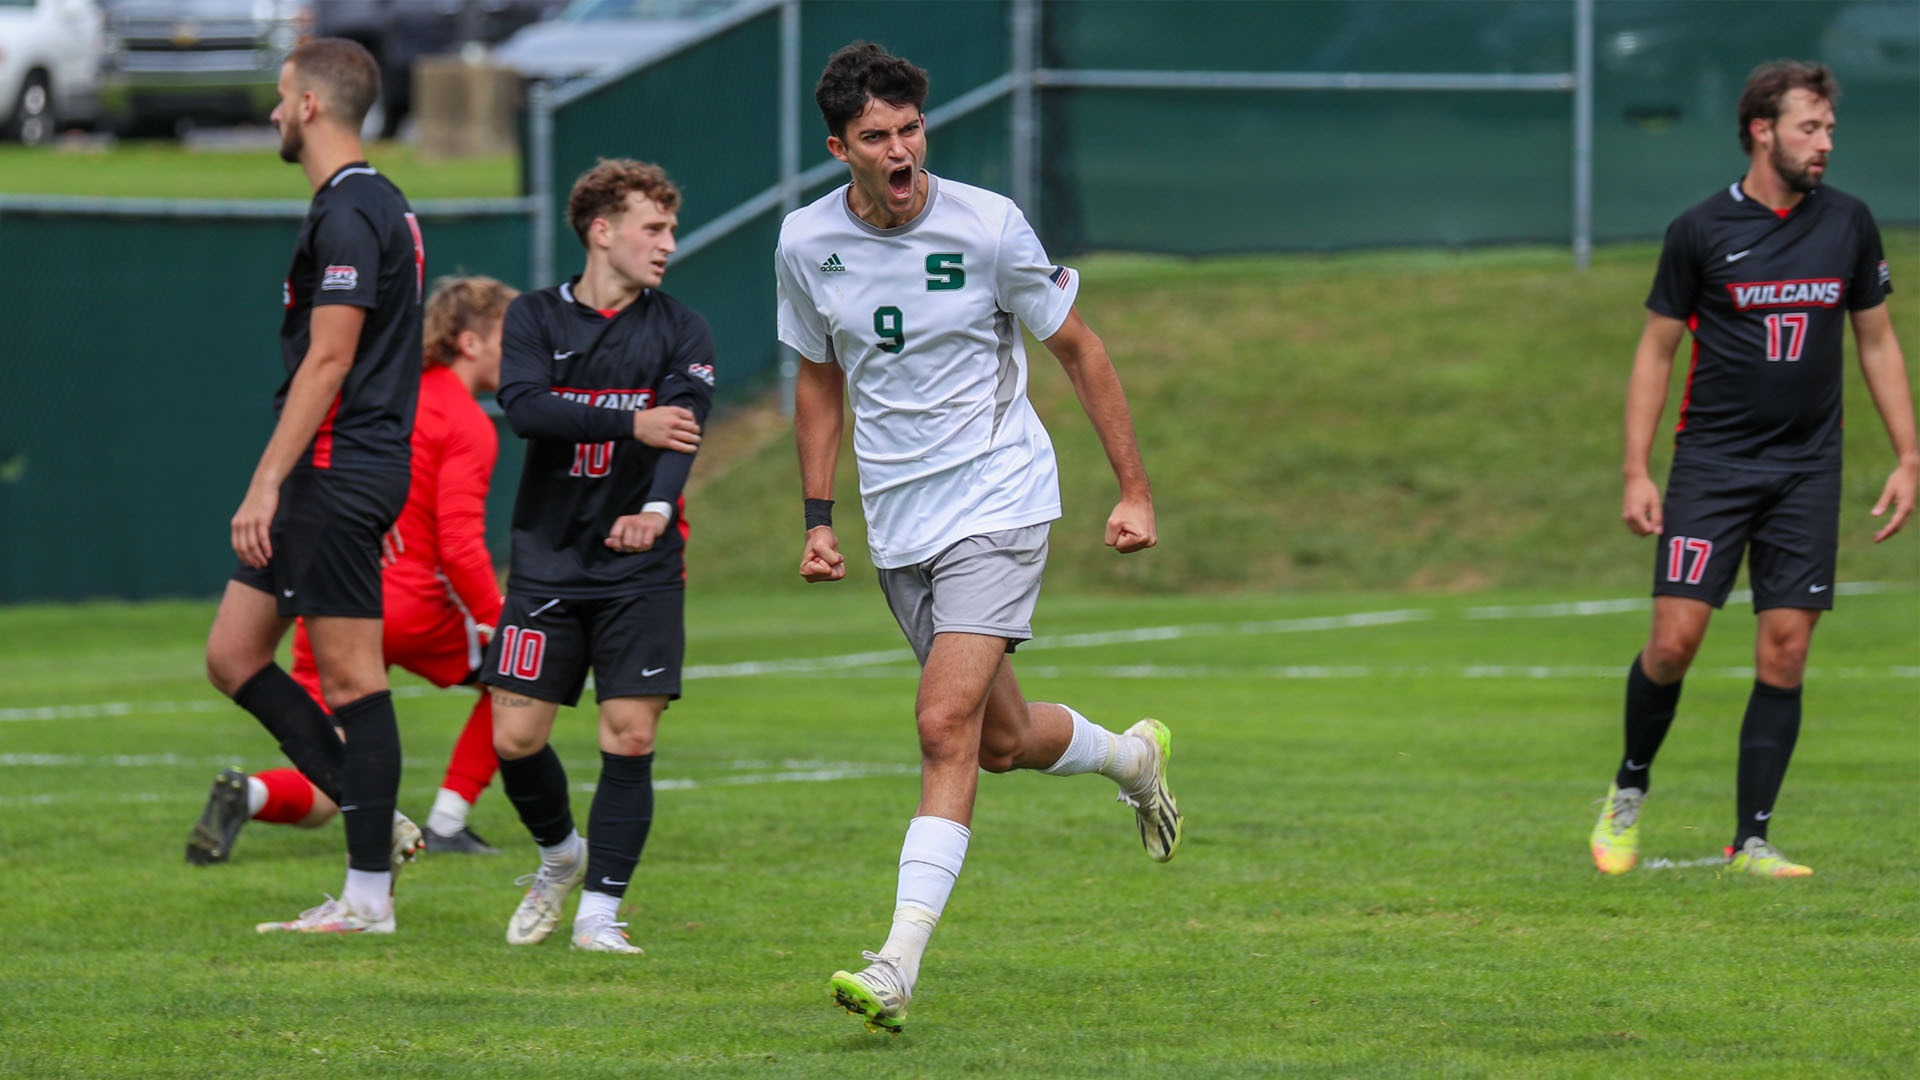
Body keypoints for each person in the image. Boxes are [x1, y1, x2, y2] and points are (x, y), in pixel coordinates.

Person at [774, 42, 1181, 1034]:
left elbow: (1079, 350)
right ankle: (1130, 759)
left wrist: (1135, 491)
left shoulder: (990, 225)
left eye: (911, 127)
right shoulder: (802, 243)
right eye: (877, 136)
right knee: (998, 740)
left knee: (941, 725)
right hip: (900, 522)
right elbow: (820, 377)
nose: (901, 148)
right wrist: (819, 519)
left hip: (999, 497)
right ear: (841, 149)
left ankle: (896, 964)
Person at [1589, 60, 1915, 880]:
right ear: (1762, 130)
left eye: (1830, 129)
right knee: (1673, 643)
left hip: (1807, 471)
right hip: (1712, 467)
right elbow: (1656, 352)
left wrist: (1910, 454)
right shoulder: (1700, 231)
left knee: (1786, 653)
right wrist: (1637, 468)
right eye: (1811, 127)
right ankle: (1627, 792)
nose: (1826, 143)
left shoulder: (1850, 224)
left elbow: (1876, 340)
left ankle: (1752, 841)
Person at [201, 38, 427, 934]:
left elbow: (331, 358)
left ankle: (367, 898)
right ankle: (381, 821)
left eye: (280, 96)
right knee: (232, 653)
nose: (271, 112)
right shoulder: (374, 205)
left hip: (335, 467)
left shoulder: (350, 211)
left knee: (351, 679)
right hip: (340, 471)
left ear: (310, 107)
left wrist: (265, 483)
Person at [187, 275, 519, 865]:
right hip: (415, 606)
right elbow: (460, 543)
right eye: (507, 337)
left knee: (330, 764)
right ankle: (446, 820)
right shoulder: (465, 420)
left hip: (335, 591)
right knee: (524, 676)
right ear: (470, 342)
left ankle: (252, 792)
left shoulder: (390, 397)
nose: (517, 351)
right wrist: (498, 620)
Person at [480, 158, 713, 955]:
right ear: (601, 231)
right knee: (512, 739)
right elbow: (526, 409)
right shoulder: (536, 319)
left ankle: (599, 916)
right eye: (654, 228)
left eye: (671, 230)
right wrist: (629, 424)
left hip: (640, 572)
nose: (668, 245)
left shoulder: (681, 328)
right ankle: (559, 857)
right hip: (547, 560)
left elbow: (680, 429)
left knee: (631, 736)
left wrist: (654, 508)